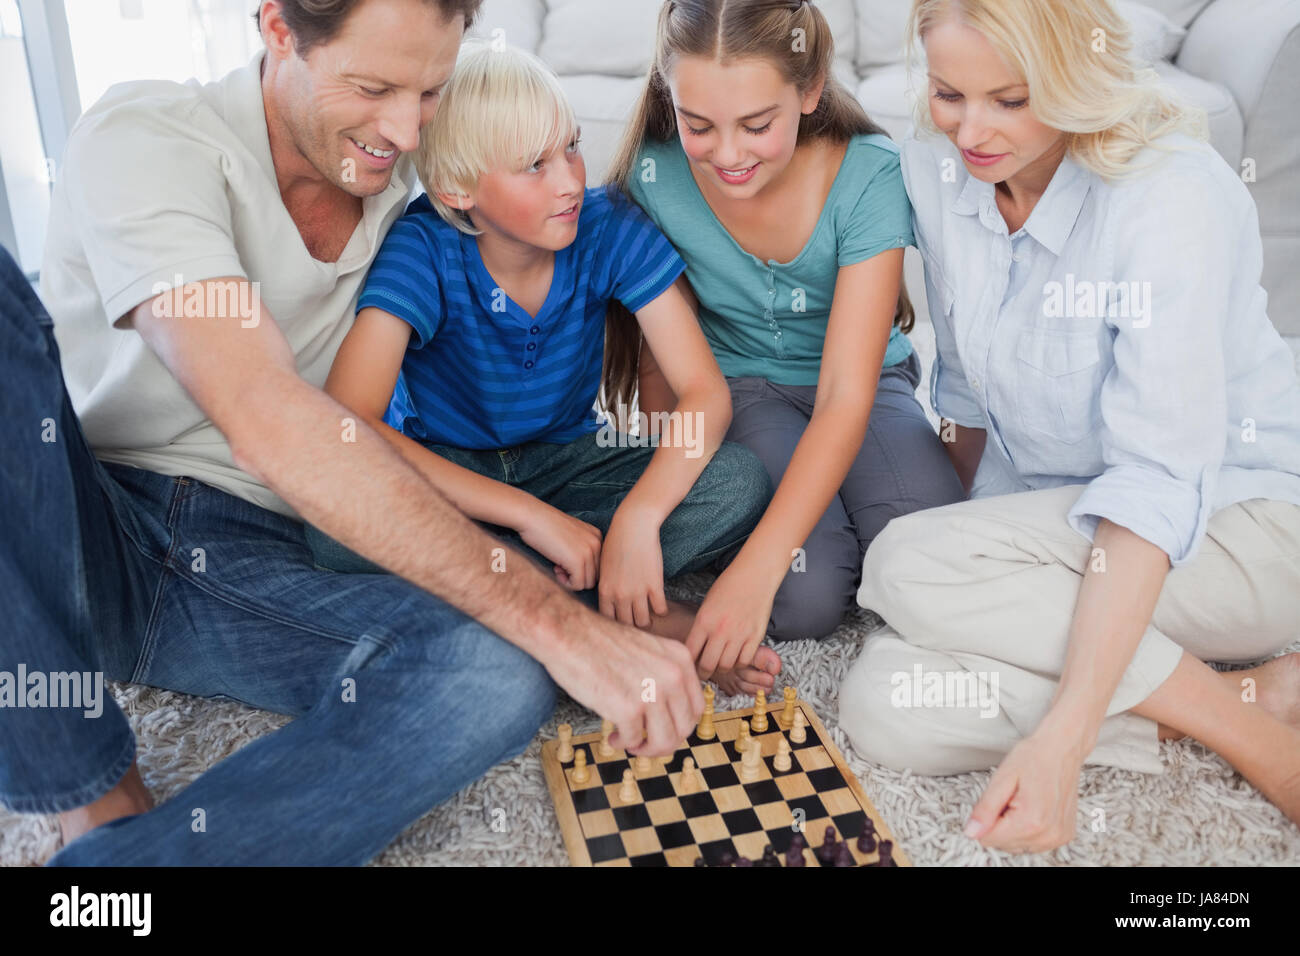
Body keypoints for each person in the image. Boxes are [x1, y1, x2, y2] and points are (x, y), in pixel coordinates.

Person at [0, 0, 702, 867]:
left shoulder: (415, 199)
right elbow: (263, 414)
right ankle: (95, 799)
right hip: (91, 529)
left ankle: (122, 875)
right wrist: (567, 628)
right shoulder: (150, 138)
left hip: (282, 544)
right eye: (372, 87)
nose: (405, 131)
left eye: (431, 91)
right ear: (278, 30)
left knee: (493, 672)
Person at [840, 0, 1300, 853]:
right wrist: (963, 538)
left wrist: (1064, 737)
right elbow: (971, 399)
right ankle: (1245, 697)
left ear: (1075, 79)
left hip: (1235, 526)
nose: (971, 130)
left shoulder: (1170, 198)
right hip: (1068, 519)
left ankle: (1255, 740)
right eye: (948, 93)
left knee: (907, 562)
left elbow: (1155, 486)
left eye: (1011, 100)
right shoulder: (942, 171)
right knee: (888, 700)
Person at [307, 41, 770, 649]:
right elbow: (349, 420)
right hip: (450, 469)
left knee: (739, 482)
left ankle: (509, 592)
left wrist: (638, 520)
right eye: (535, 166)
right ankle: (600, 610)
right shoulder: (423, 248)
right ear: (455, 189)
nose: (570, 181)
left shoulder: (608, 225)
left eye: (572, 147)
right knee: (330, 527)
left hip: (569, 460)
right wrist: (531, 517)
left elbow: (704, 396)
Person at [606, 0, 965, 695]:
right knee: (805, 599)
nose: (729, 154)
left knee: (932, 559)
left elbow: (844, 397)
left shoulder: (869, 172)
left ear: (810, 89)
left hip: (864, 385)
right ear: (666, 94)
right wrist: (675, 488)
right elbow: (660, 355)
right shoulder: (653, 176)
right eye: (698, 124)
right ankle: (822, 546)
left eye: (757, 125)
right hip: (741, 387)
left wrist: (756, 562)